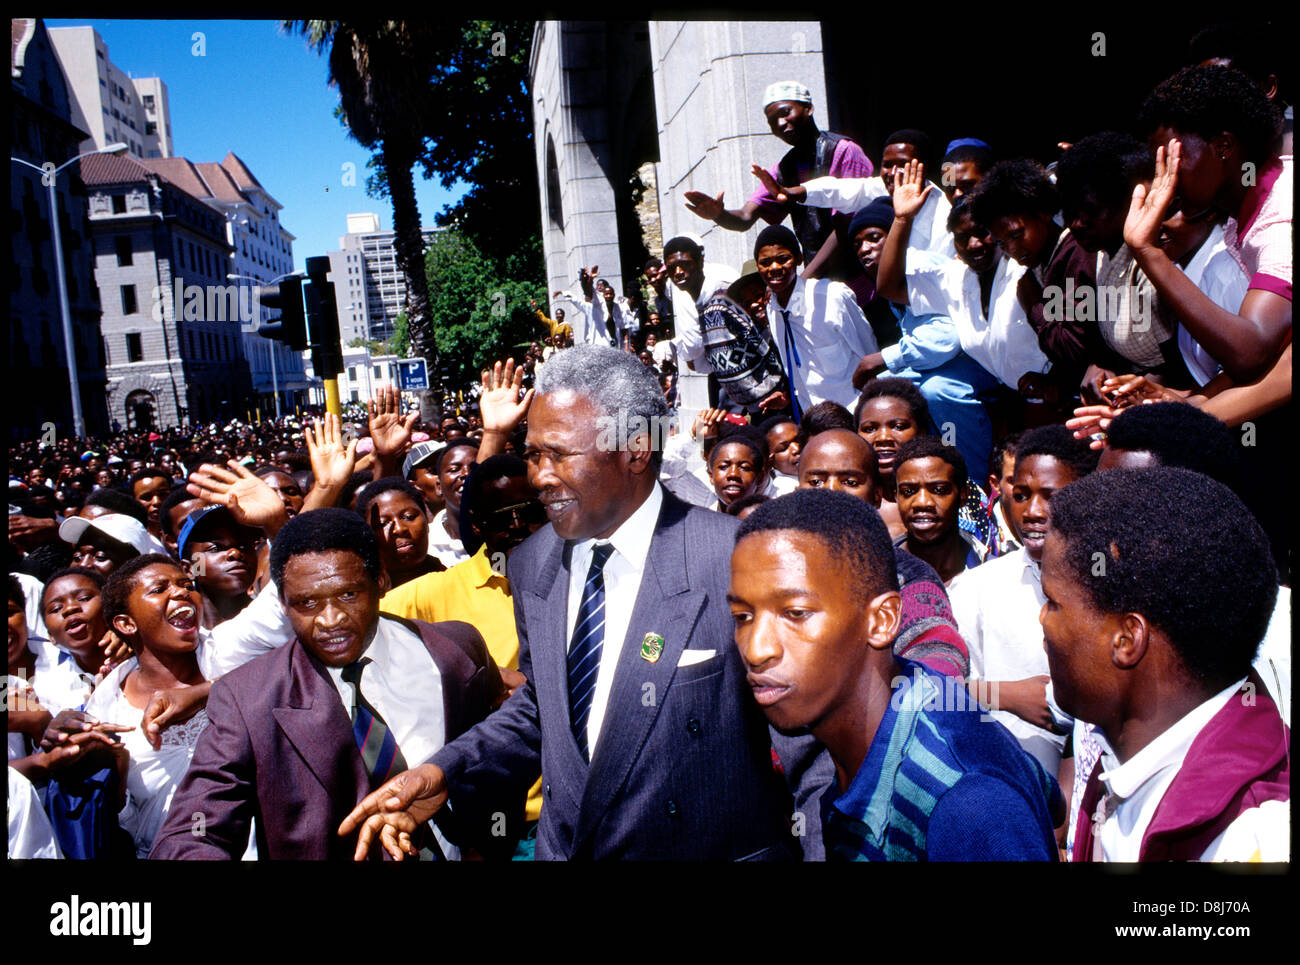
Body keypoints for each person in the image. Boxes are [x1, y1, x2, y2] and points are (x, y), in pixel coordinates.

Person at [341, 344, 812, 861]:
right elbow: (545, 709)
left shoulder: (737, 559)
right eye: (534, 453)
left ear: (635, 448)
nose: (539, 476)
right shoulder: (532, 563)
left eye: (558, 454)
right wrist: (443, 770)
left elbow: (807, 754)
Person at [150, 509, 506, 860]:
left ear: (381, 581)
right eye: (307, 603)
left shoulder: (457, 650)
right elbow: (194, 829)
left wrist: (491, 842)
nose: (330, 620)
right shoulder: (246, 700)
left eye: (348, 595)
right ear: (282, 604)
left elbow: (501, 748)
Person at [728, 488, 1061, 860]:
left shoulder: (965, 804)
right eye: (743, 616)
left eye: (796, 613)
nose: (756, 650)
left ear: (882, 620)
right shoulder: (881, 728)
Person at [1044, 469, 1288, 861]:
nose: (1041, 620)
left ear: (1127, 640)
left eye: (1053, 601)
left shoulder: (1253, 838)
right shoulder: (1127, 764)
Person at [379, 454, 548, 856]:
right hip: (492, 816)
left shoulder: (578, 578)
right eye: (500, 517)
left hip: (574, 809)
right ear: (475, 524)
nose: (517, 526)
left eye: (529, 511)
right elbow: (347, 626)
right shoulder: (433, 593)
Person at [947, 424, 1098, 776]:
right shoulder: (976, 589)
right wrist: (1004, 696)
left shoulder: (1116, 582)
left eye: (1052, 496)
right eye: (1021, 495)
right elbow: (933, 694)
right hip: (1007, 788)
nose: (1033, 510)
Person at [846, 188, 998, 478]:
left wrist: (883, 357)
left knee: (938, 392)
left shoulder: (924, 268)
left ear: (896, 238)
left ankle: (972, 484)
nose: (864, 249)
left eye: (874, 238)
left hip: (977, 360)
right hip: (940, 363)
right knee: (879, 392)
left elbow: (949, 336)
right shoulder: (888, 285)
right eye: (857, 244)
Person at [684, 80, 872, 282]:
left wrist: (806, 280)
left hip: (862, 275)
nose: (781, 123)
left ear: (808, 108)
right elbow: (746, 217)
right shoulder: (784, 168)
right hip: (823, 281)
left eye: (785, 113)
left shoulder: (843, 151)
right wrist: (719, 215)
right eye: (772, 121)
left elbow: (845, 225)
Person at [757, 225, 878, 420]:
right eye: (765, 262)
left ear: (798, 259)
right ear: (758, 266)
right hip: (814, 418)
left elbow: (869, 354)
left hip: (854, 414)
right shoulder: (773, 308)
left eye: (783, 259)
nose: (774, 268)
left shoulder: (832, 297)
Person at [893, 437, 983, 584]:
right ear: (896, 496)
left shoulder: (991, 572)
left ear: (963, 495)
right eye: (908, 491)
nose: (922, 502)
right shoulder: (876, 573)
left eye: (939, 490)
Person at [656, 235, 740, 375]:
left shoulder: (716, 288)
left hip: (738, 376)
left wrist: (686, 354)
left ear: (699, 261)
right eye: (672, 268)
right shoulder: (725, 274)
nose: (678, 273)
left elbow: (693, 344)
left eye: (684, 264)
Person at [176, 505, 260, 629]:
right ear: (189, 569)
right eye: (216, 548)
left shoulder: (278, 617)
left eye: (243, 546)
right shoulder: (182, 637)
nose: (235, 553)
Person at [355, 479, 445, 588]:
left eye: (409, 517)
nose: (399, 529)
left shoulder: (459, 581)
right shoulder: (367, 600)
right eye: (383, 524)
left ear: (426, 519)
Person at [707, 429, 770, 513]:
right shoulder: (698, 519)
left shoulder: (773, 522)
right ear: (711, 476)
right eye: (724, 467)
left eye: (745, 467)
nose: (733, 474)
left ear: (760, 478)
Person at [128, 467, 172, 539]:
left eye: (162, 495)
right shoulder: (131, 538)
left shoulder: (186, 532)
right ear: (134, 501)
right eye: (146, 497)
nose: (156, 502)